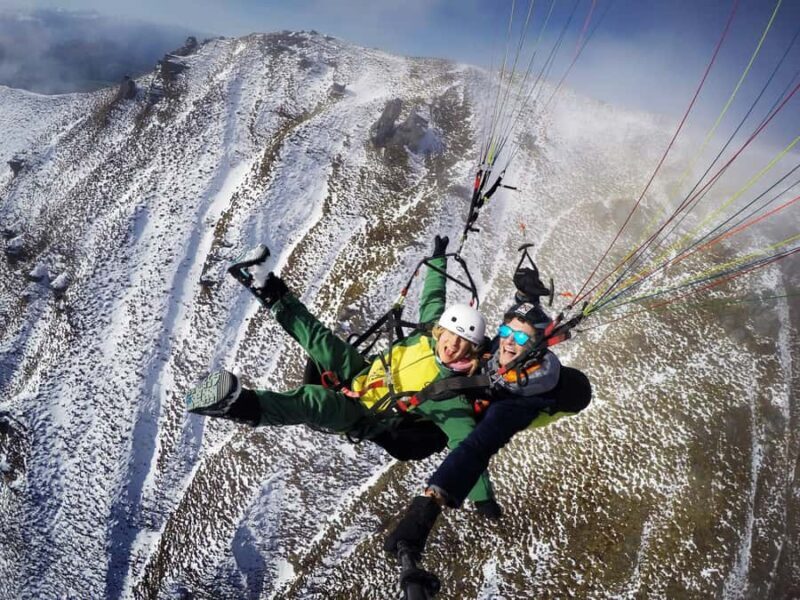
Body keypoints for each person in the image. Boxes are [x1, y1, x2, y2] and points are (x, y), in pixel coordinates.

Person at [185, 236, 499, 506]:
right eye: (451, 337)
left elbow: (467, 449)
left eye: (464, 345)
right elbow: (433, 297)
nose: (454, 347)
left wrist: (482, 499)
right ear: (441, 332)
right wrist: (438, 258)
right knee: (319, 339)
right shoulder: (426, 335)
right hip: (363, 375)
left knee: (315, 401)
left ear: (472, 351)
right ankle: (260, 281)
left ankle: (238, 406)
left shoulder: (450, 393)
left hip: (367, 417)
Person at [384, 264, 592, 564]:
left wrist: (427, 507)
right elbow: (520, 326)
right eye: (506, 331)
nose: (507, 340)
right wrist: (526, 294)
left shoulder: (516, 404)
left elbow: (475, 449)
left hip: (543, 402)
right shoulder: (503, 349)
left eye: (519, 339)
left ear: (533, 348)